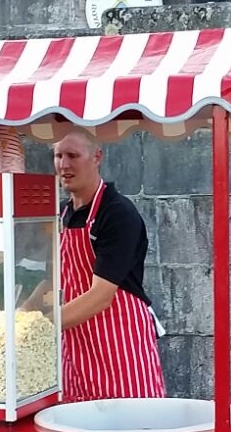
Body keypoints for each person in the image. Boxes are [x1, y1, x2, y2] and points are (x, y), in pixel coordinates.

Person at [27, 127, 166, 402]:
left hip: (119, 343)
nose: (64, 165)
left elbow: (102, 295)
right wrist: (20, 317)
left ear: (97, 157)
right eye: (58, 156)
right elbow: (51, 281)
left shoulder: (117, 213)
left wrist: (42, 327)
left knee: (129, 427)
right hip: (77, 344)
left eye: (73, 155)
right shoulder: (62, 214)